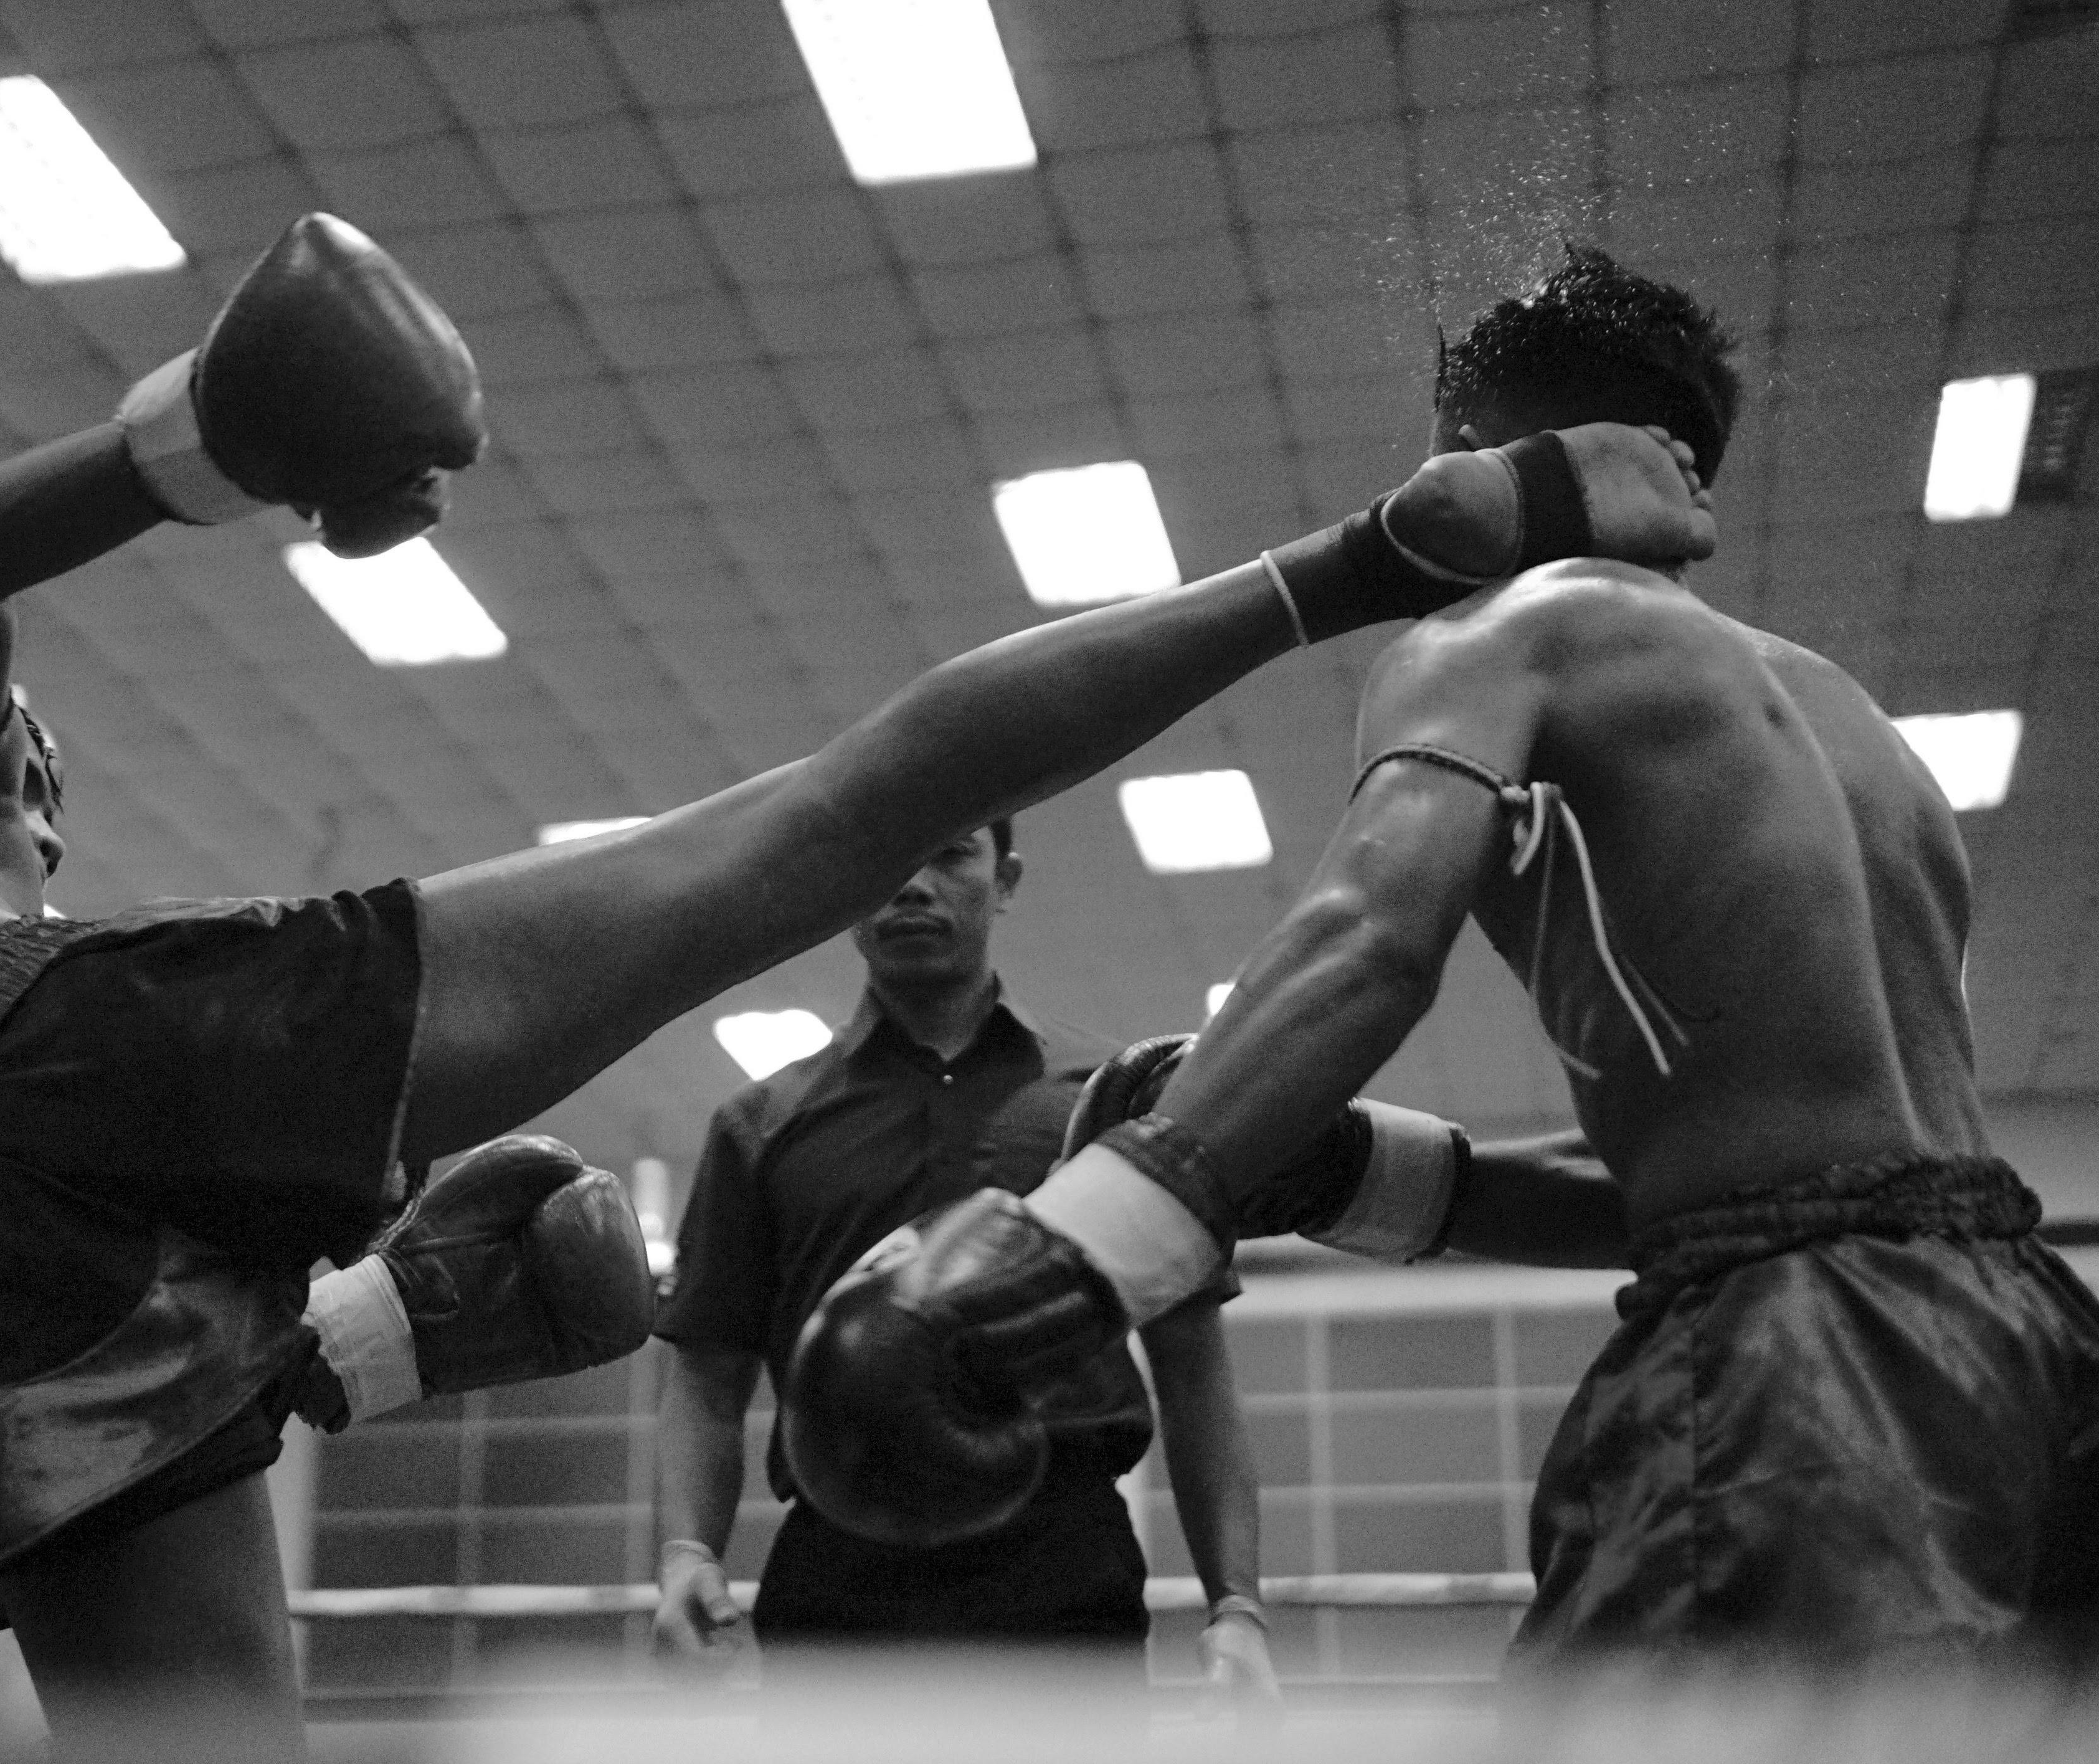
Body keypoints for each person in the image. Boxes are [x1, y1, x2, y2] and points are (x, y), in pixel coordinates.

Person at [0, 198, 1712, 1758]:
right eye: (31, 793)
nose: (38, 827)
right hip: (55, 1097)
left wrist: (311, 1343)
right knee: (825, 816)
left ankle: (339, 1351)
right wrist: (207, 441)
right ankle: (1370, 560)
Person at [785, 247, 2099, 1673]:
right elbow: (1775, 1180)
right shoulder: (1861, 732)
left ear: (1466, 454)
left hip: (1804, 1378)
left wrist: (1087, 1245)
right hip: (2029, 1346)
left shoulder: (1499, 636)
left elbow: (1367, 941)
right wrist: (1356, 1174)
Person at [651, 823, 1277, 1697]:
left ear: (1006, 879)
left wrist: (1236, 1606)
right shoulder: (759, 1126)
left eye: (950, 853)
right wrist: (687, 1555)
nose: (913, 883)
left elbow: (1194, 1367)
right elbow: (708, 1383)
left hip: (1062, 1563)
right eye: (887, 857)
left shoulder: (1114, 1102)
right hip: (841, 1573)